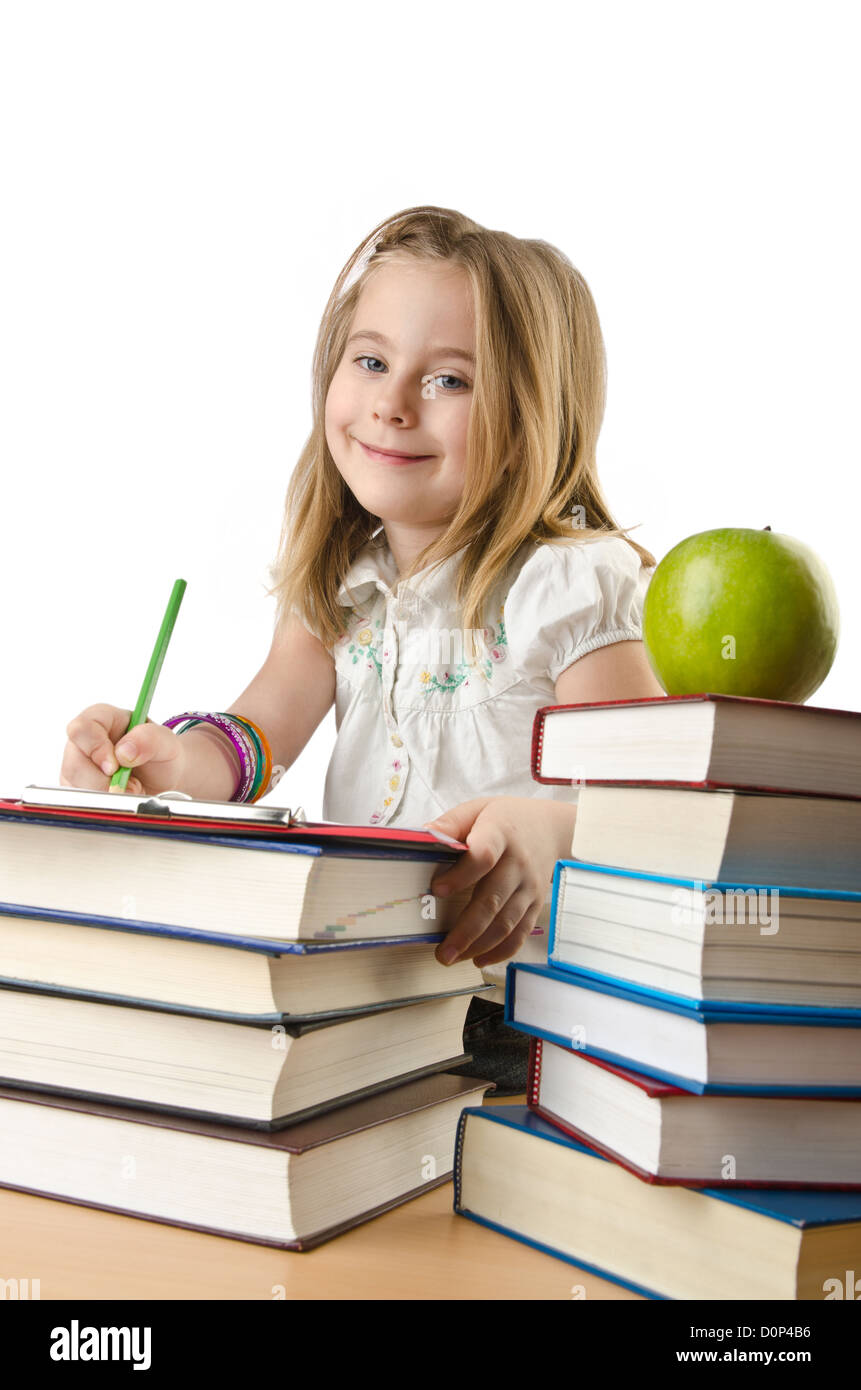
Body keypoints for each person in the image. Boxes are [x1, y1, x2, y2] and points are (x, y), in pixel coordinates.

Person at [61, 205, 665, 1091]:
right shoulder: (343, 580)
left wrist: (556, 829)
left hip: (524, 1014)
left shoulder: (572, 586)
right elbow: (256, 739)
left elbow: (663, 811)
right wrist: (171, 764)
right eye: (372, 362)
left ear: (535, 410)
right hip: (370, 991)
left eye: (449, 380)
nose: (390, 401)